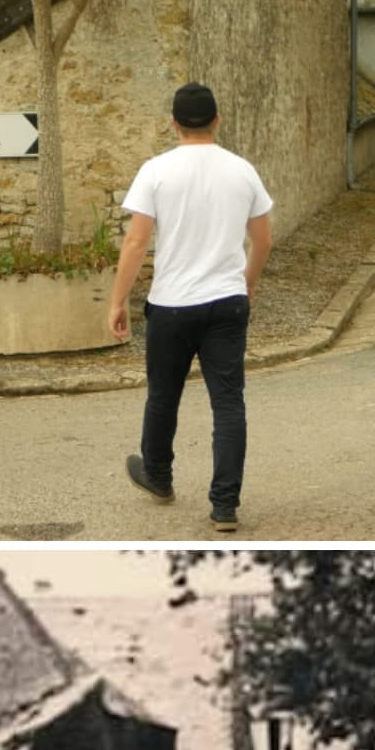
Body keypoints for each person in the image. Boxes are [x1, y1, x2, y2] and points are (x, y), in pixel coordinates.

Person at [108, 81, 274, 534]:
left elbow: (138, 240)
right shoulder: (242, 171)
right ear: (218, 120)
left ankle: (158, 477)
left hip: (172, 305)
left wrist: (119, 299)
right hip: (227, 302)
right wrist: (248, 283)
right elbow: (262, 239)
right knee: (228, 402)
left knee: (164, 395)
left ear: (174, 123)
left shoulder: (156, 171)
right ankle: (225, 506)